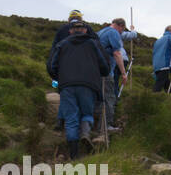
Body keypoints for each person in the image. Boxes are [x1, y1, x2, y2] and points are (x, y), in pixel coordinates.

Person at [49, 20, 111, 159]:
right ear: (85, 30)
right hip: (88, 85)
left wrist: (60, 77)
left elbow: (53, 66)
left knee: (71, 118)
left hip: (67, 86)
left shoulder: (62, 44)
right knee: (86, 113)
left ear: (70, 31)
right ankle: (85, 134)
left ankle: (74, 155)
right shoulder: (93, 44)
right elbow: (105, 67)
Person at [96, 18, 134, 132]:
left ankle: (96, 125)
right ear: (121, 26)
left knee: (98, 98)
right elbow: (117, 53)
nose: (122, 33)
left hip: (95, 70)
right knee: (109, 97)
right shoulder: (114, 33)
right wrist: (123, 73)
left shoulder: (101, 32)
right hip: (106, 71)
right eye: (122, 30)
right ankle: (105, 126)